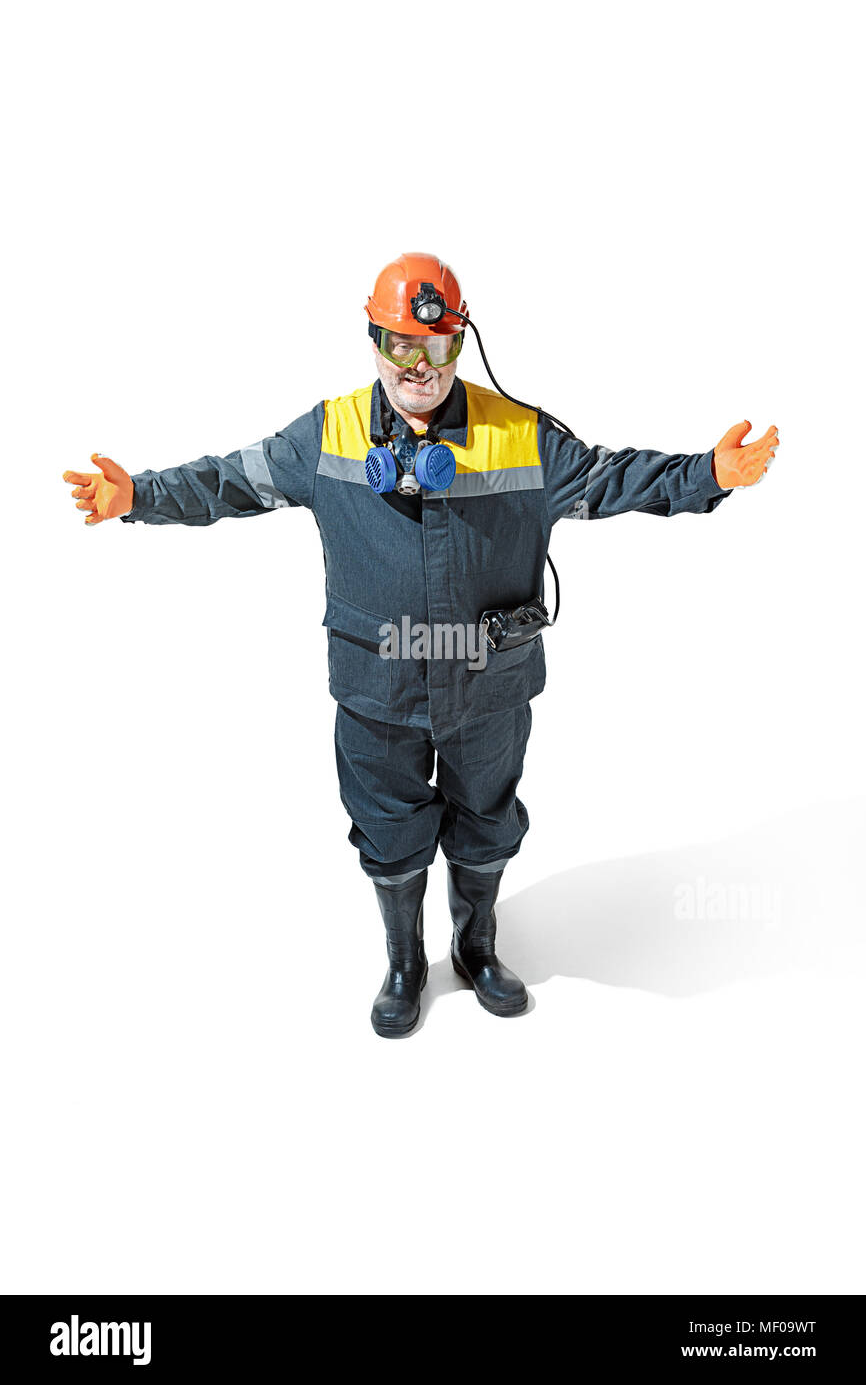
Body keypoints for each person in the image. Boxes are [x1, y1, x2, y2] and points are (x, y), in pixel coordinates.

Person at [62, 252, 779, 1038]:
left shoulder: (519, 435)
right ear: (374, 340)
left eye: (437, 348)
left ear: (460, 343)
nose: (420, 366)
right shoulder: (326, 434)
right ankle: (406, 962)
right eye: (402, 345)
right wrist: (139, 496)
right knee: (387, 827)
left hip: (490, 689)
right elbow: (230, 480)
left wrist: (706, 473)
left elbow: (612, 479)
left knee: (489, 821)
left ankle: (476, 946)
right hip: (377, 690)